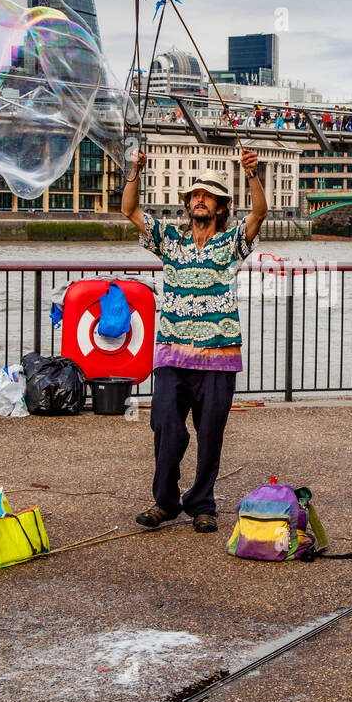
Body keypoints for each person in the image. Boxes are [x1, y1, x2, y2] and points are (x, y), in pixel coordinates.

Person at [121, 145, 268, 534]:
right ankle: (165, 502)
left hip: (219, 354)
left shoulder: (231, 242)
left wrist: (251, 173)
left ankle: (202, 504)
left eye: (207, 196)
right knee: (165, 424)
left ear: (220, 207)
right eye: (194, 195)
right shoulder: (170, 239)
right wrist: (134, 170)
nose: (198, 200)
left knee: (211, 433)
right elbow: (130, 211)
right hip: (172, 352)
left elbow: (258, 213)